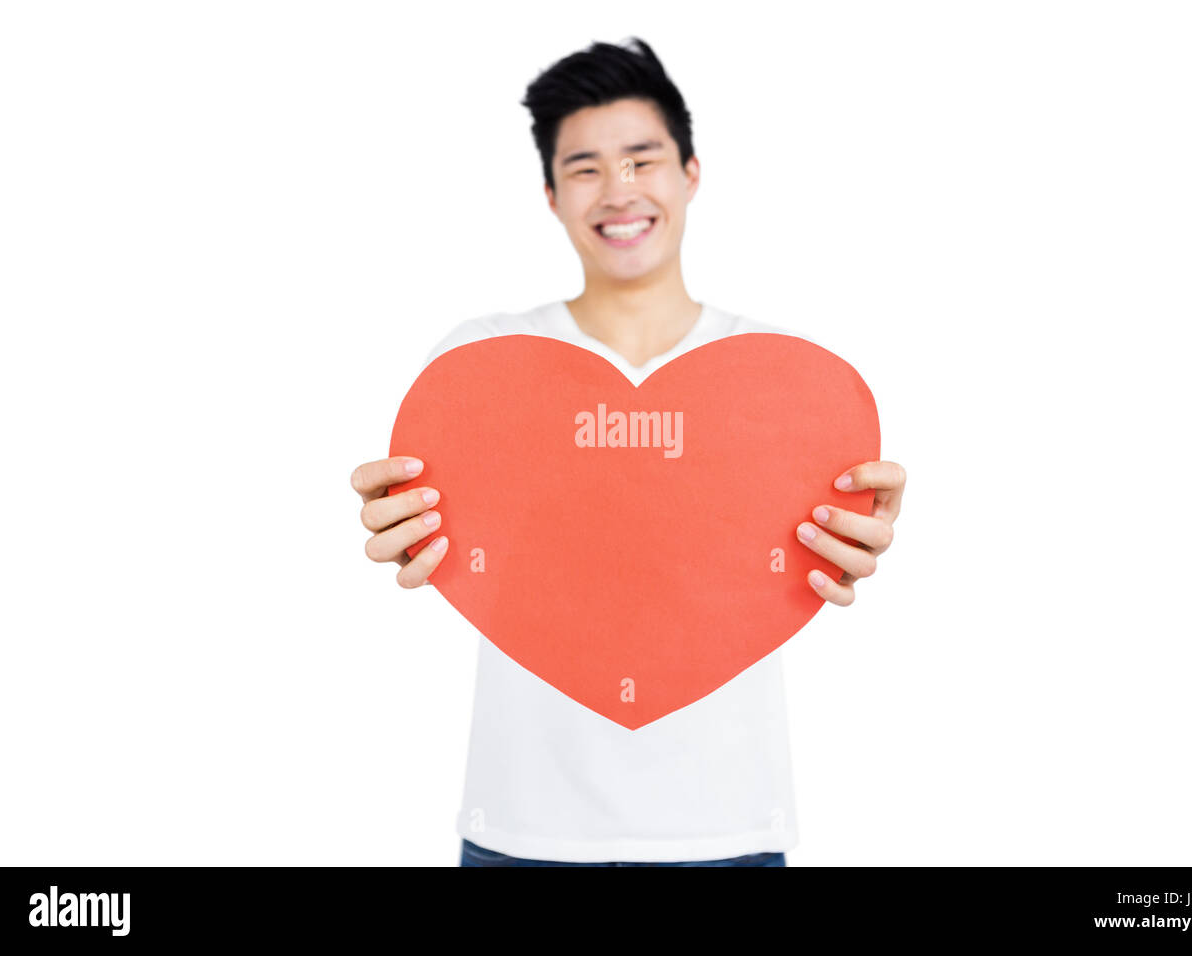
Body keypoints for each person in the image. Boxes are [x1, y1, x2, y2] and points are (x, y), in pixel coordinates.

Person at [350, 37, 907, 867]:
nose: (618, 190)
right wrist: (400, 527)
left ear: (690, 172)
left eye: (642, 159)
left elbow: (809, 552)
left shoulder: (778, 378)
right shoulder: (484, 363)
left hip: (728, 831)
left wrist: (856, 530)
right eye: (584, 168)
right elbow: (441, 534)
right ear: (549, 194)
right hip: (520, 829)